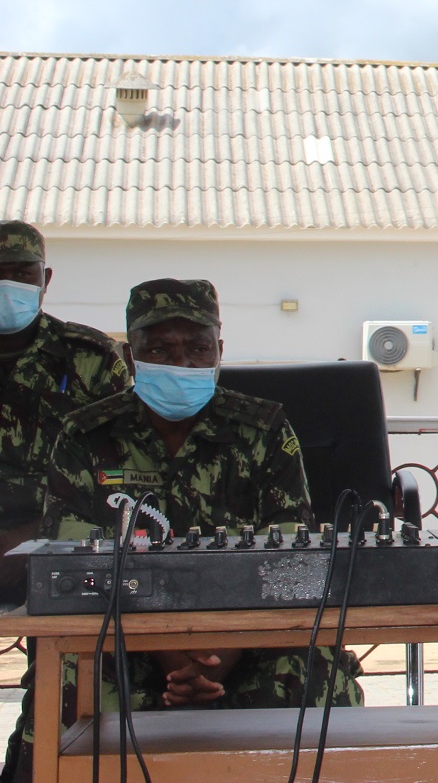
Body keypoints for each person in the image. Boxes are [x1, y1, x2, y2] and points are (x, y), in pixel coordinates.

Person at [5, 280, 359, 781]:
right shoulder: (87, 435)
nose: (182, 364)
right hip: (120, 643)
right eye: (160, 348)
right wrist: (179, 663)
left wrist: (216, 660)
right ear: (131, 356)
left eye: (197, 347)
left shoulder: (263, 431)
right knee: (63, 685)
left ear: (219, 349)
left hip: (249, 640)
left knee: (317, 676)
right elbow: (75, 567)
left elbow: (289, 562)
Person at [0, 222, 128, 606]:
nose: (8, 285)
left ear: (45, 278)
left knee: (76, 658)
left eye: (22, 273)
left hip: (66, 543)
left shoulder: (90, 358)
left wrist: (35, 537)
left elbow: (121, 471)